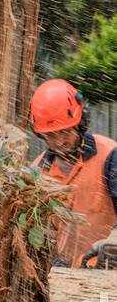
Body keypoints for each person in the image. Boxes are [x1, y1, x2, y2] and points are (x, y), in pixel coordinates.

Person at [30, 77, 117, 267]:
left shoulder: (109, 155)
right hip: (65, 278)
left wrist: (113, 242)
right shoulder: (37, 172)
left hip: (109, 274)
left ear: (80, 123)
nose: (59, 141)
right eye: (51, 135)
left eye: (65, 132)